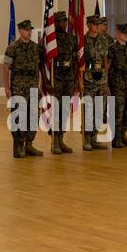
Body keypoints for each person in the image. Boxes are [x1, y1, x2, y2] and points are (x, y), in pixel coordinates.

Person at [3, 18, 44, 158]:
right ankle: (18, 145)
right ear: (20, 31)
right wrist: (6, 87)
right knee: (18, 117)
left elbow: (37, 68)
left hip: (32, 85)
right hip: (19, 86)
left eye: (30, 29)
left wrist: (39, 86)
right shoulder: (13, 47)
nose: (29, 32)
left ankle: (29, 144)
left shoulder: (35, 47)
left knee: (33, 116)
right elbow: (6, 67)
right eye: (26, 30)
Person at [50, 12, 77, 154]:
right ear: (54, 23)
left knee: (65, 110)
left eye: (65, 21)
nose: (63, 24)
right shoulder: (50, 40)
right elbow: (44, 62)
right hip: (57, 78)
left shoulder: (71, 38)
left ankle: (61, 138)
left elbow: (74, 60)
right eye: (60, 22)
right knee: (55, 109)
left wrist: (76, 80)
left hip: (68, 78)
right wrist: (48, 81)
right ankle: (54, 140)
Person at [82, 15, 110, 151]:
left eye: (98, 24)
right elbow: (79, 62)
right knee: (89, 110)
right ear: (88, 25)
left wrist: (106, 80)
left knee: (100, 109)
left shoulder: (104, 40)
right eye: (94, 24)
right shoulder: (82, 40)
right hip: (88, 78)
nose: (97, 26)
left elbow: (105, 60)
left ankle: (94, 137)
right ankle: (86, 138)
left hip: (101, 78)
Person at [108, 21, 127, 148]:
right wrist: (107, 86)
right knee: (117, 112)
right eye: (123, 33)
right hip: (117, 83)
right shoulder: (112, 48)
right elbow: (107, 67)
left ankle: (123, 135)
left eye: (126, 33)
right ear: (117, 33)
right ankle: (116, 138)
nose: (125, 36)